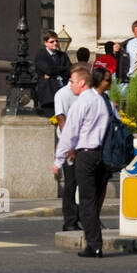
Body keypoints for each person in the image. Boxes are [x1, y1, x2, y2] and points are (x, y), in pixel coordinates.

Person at [54, 64, 115, 258]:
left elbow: (69, 133)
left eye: (72, 81)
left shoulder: (82, 103)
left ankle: (94, 245)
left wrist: (58, 160)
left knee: (87, 201)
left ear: (81, 83)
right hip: (104, 155)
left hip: (86, 154)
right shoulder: (106, 102)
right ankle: (94, 239)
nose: (70, 85)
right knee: (95, 198)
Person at [54, 64, 89, 232]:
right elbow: (62, 120)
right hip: (71, 146)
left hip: (85, 145)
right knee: (71, 184)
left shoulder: (85, 93)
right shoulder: (62, 94)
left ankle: (86, 217)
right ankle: (69, 221)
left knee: (85, 184)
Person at [34, 31, 70, 112]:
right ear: (45, 43)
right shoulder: (41, 55)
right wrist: (62, 69)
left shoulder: (63, 55)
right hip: (49, 95)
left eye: (56, 41)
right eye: (52, 42)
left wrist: (52, 74)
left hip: (64, 91)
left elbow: (69, 70)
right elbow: (48, 70)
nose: (55, 43)